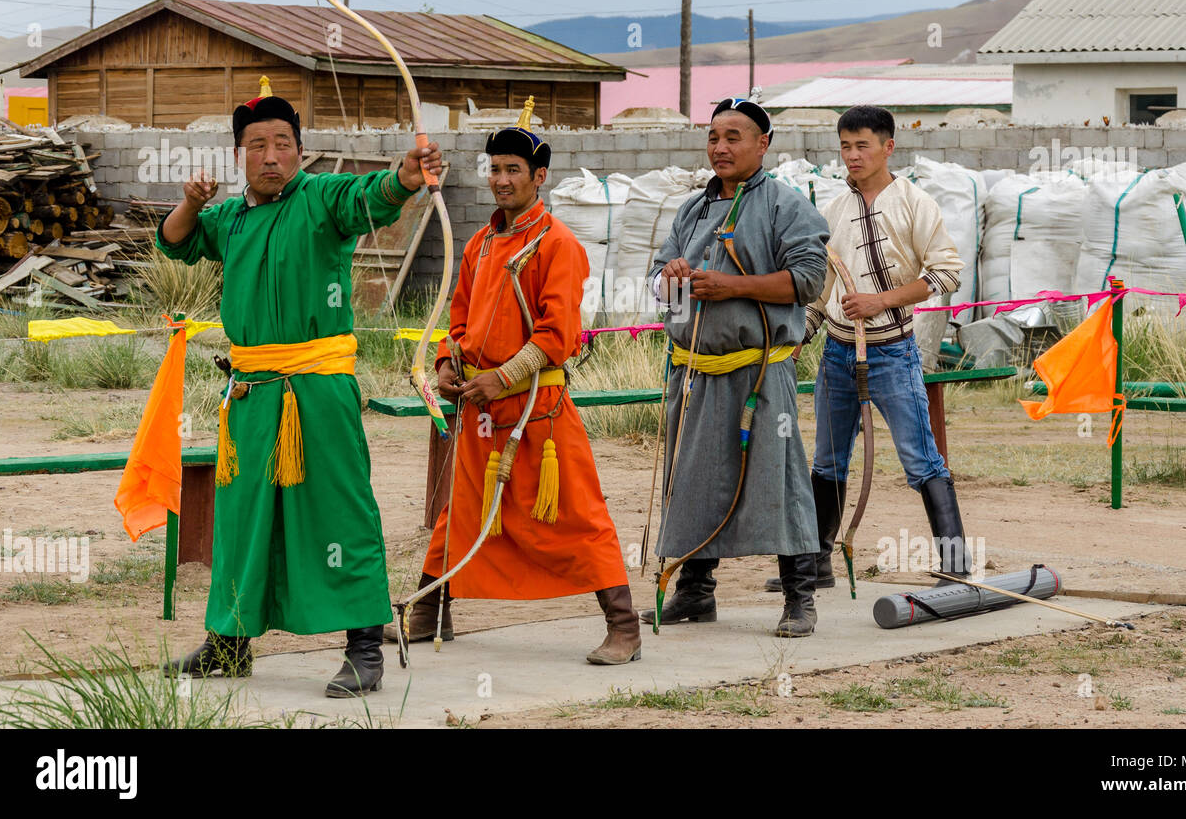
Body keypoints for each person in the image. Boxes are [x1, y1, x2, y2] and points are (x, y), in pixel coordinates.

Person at [158, 80, 443, 698]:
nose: (270, 156)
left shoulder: (321, 199)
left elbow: (372, 196)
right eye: (256, 145)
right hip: (250, 395)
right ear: (239, 156)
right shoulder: (230, 217)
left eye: (282, 143)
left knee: (337, 512)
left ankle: (365, 646)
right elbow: (177, 241)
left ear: (299, 150)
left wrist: (406, 174)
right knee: (241, 520)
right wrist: (188, 202)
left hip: (317, 389)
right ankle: (228, 645)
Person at [384, 98, 640, 665]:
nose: (500, 180)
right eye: (494, 169)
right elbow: (458, 319)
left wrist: (502, 378)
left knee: (576, 514)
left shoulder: (559, 245)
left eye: (512, 170)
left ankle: (624, 626)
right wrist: (450, 364)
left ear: (538, 177)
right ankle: (430, 608)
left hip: (538, 410)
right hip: (480, 407)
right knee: (461, 509)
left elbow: (558, 336)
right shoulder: (477, 244)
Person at [640, 98, 830, 637]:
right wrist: (673, 278)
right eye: (713, 137)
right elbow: (664, 294)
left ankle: (799, 598)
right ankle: (695, 592)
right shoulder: (690, 211)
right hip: (695, 372)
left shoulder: (785, 206)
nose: (720, 147)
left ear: (762, 145)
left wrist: (735, 286)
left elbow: (808, 280)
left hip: (760, 375)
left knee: (780, 481)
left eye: (734, 137)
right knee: (692, 482)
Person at [783, 104, 970, 593]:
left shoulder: (914, 202)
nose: (852, 155)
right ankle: (817, 566)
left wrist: (881, 301)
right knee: (827, 460)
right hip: (838, 353)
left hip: (892, 352)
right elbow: (824, 285)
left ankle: (956, 567)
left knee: (921, 460)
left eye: (862, 145)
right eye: (845, 146)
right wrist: (803, 331)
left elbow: (946, 272)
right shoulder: (834, 207)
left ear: (889, 146)